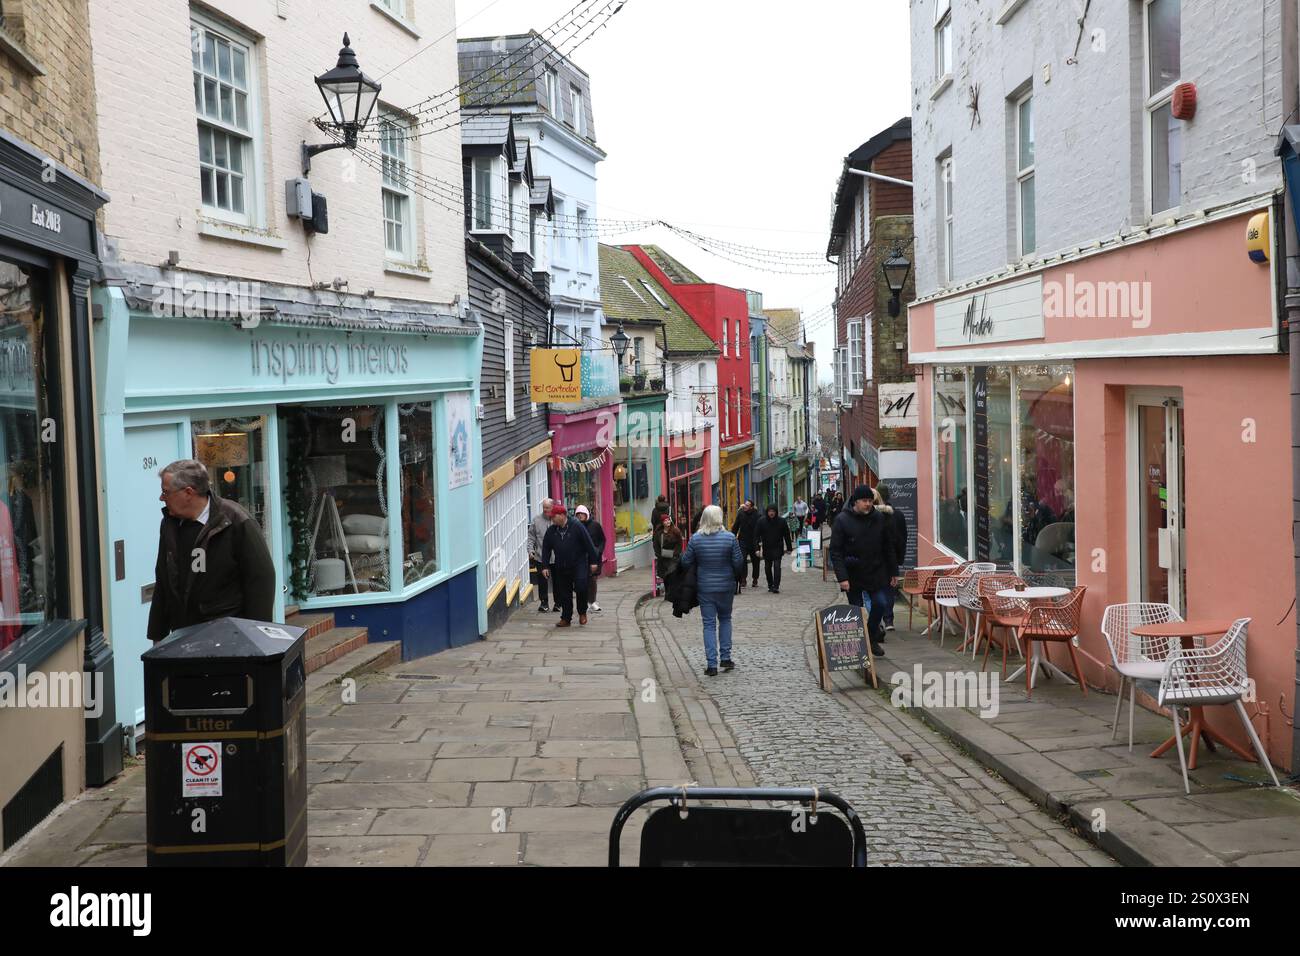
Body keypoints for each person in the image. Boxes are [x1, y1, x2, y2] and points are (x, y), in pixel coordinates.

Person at [147, 459, 276, 643]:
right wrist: (157, 636)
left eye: (165, 492)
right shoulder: (169, 524)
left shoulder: (236, 521)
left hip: (227, 637)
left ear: (188, 493)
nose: (162, 498)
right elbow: (163, 578)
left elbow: (261, 579)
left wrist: (256, 639)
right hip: (183, 637)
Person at [828, 485, 898, 657]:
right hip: (853, 574)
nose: (868, 504)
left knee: (880, 603)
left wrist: (894, 571)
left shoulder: (878, 518)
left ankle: (871, 634)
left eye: (870, 501)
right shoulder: (842, 520)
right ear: (856, 502)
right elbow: (835, 551)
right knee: (856, 612)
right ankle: (860, 649)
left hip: (875, 571)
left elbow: (888, 546)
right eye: (864, 501)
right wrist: (842, 577)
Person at [679, 504, 744, 677]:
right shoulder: (730, 538)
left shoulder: (695, 539)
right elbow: (739, 563)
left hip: (705, 587)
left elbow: (685, 562)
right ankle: (726, 657)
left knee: (708, 624)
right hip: (726, 586)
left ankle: (711, 664)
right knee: (725, 619)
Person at [541, 505, 600, 628]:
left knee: (581, 587)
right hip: (561, 565)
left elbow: (589, 543)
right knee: (564, 593)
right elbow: (546, 548)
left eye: (554, 517)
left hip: (579, 564)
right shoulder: (552, 530)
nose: (552, 519)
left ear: (562, 515)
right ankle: (566, 618)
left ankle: (582, 612)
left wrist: (594, 562)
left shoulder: (577, 526)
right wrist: (545, 566)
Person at [874, 484, 908, 634]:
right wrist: (900, 558)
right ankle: (888, 619)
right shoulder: (898, 514)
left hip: (876, 557)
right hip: (892, 557)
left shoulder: (873, 515)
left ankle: (880, 618)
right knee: (889, 588)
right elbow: (903, 538)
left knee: (878, 588)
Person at [756, 503, 792, 594]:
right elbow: (756, 536)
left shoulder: (782, 521)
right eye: (769, 511)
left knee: (777, 567)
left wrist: (789, 548)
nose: (771, 513)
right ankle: (770, 584)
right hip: (767, 548)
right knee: (767, 568)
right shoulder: (761, 521)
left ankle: (776, 586)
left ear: (776, 512)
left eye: (773, 511)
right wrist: (757, 548)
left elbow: (786, 535)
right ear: (767, 512)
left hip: (778, 547)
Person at [575, 505, 606, 612]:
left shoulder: (595, 525)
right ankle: (585, 602)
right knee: (583, 581)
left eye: (581, 514)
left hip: (594, 557)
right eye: (577, 514)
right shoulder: (576, 526)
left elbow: (603, 540)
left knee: (592, 580)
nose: (580, 516)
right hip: (581, 558)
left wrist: (599, 550)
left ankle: (592, 601)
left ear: (586, 514)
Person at [528, 497, 556, 613]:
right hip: (540, 556)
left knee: (558, 581)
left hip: (556, 557)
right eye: (544, 507)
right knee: (542, 581)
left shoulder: (557, 519)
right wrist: (530, 550)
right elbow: (531, 537)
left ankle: (558, 603)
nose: (545, 510)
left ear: (552, 507)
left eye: (548, 508)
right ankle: (544, 603)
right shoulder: (536, 520)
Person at [730, 499, 760, 591]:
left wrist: (760, 541)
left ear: (751, 507)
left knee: (755, 561)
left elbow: (760, 529)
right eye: (745, 505)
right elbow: (736, 526)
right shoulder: (741, 514)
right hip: (742, 540)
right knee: (742, 560)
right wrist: (732, 536)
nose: (745, 506)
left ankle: (755, 578)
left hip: (754, 541)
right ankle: (743, 579)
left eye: (747, 505)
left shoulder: (757, 515)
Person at [656, 516, 685, 604]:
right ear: (662, 523)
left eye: (668, 520)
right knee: (665, 576)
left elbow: (680, 543)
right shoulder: (659, 533)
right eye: (665, 520)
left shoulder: (675, 531)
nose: (668, 521)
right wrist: (658, 554)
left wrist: (676, 553)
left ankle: (672, 594)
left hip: (673, 557)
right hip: (663, 558)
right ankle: (668, 594)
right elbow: (656, 544)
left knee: (672, 575)